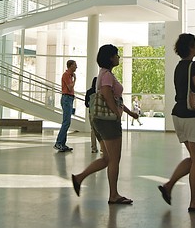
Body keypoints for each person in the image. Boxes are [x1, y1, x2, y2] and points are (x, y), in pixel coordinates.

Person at [157, 33, 195, 213]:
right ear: (191, 47)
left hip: (178, 116)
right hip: (194, 116)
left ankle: (169, 186)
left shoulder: (179, 67)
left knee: (194, 158)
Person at [70, 44, 139, 205]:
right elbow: (108, 95)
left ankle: (79, 178)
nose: (119, 57)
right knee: (115, 159)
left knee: (107, 158)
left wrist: (129, 113)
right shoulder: (107, 75)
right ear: (110, 58)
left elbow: (115, 99)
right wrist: (116, 113)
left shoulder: (104, 74)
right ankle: (113, 195)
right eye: (116, 55)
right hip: (108, 122)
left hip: (99, 120)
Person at [54, 60, 77, 152]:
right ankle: (59, 142)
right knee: (66, 122)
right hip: (67, 99)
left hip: (69, 98)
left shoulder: (69, 76)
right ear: (70, 66)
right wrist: (75, 80)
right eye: (75, 65)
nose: (76, 67)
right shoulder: (67, 75)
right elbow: (70, 87)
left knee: (67, 122)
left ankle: (62, 143)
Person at [84, 76, 99, 153]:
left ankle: (94, 148)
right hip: (100, 113)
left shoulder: (89, 92)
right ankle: (103, 148)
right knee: (101, 130)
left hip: (91, 113)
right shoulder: (100, 92)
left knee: (93, 130)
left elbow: (86, 104)